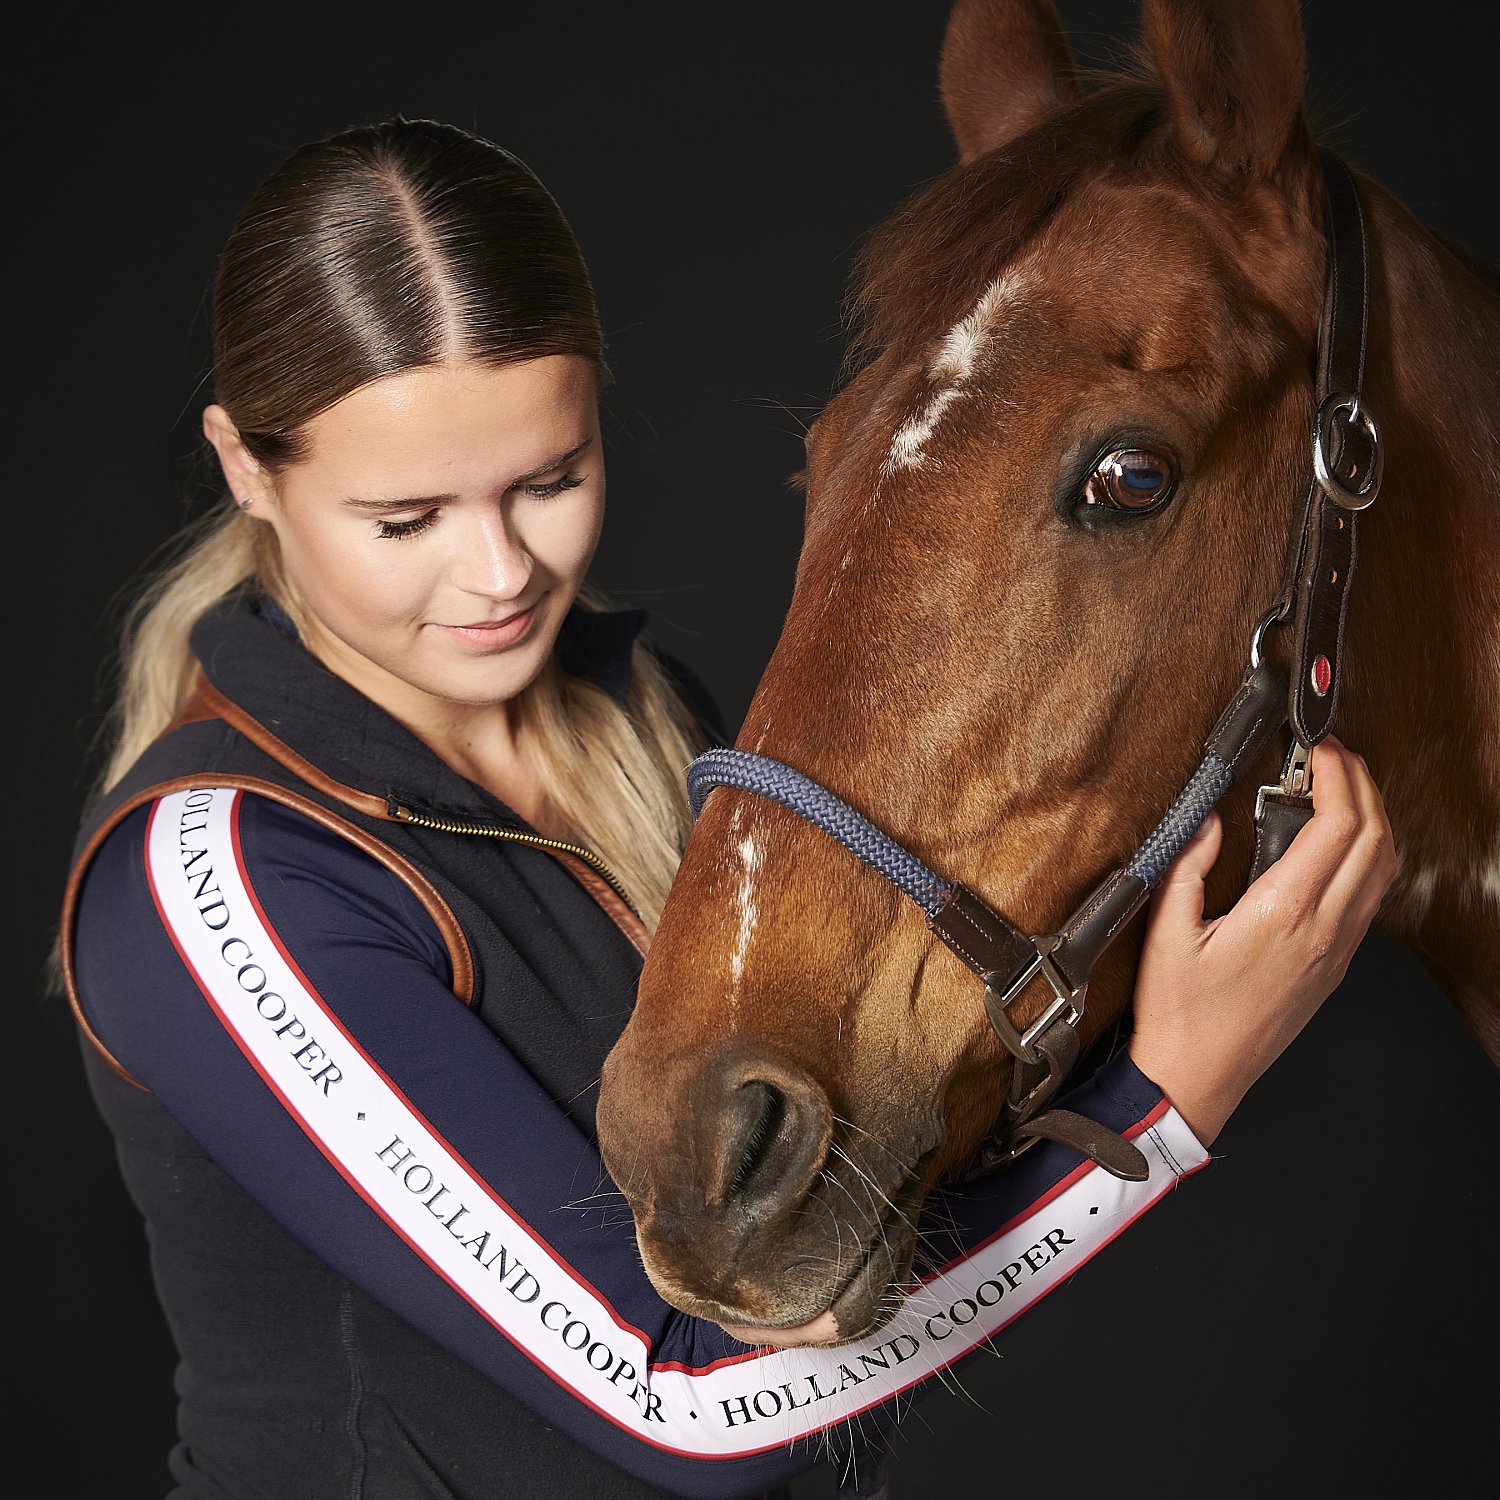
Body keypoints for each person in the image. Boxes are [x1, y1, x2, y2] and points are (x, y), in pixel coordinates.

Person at [59, 118, 1396, 1500]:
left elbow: (853, 1240)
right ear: (245, 467)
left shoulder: (660, 724)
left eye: (550, 480)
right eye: (406, 521)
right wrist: (1163, 1106)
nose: (500, 573)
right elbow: (687, 1407)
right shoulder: (216, 875)